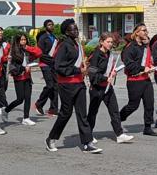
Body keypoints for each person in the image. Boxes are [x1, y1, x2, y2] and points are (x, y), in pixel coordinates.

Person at [45, 19, 101, 153]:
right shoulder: (64, 46)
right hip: (66, 85)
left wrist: (85, 68)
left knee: (82, 114)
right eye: (72, 29)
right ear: (66, 32)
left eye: (76, 28)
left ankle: (87, 143)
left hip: (79, 83)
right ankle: (51, 138)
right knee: (66, 113)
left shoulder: (78, 44)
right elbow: (59, 67)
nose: (76, 31)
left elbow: (79, 63)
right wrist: (77, 70)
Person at [86, 33, 134, 143]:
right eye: (108, 42)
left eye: (111, 42)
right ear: (101, 42)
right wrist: (104, 78)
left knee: (114, 111)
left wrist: (113, 73)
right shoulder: (96, 55)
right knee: (93, 112)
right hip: (97, 88)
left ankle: (119, 134)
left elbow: (110, 70)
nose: (110, 44)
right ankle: (88, 134)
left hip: (108, 87)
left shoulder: (109, 54)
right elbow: (92, 74)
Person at [119, 24, 157, 137]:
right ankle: (118, 119)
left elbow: (147, 61)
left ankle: (147, 127)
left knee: (149, 103)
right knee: (133, 105)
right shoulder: (130, 47)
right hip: (134, 80)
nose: (146, 32)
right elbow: (129, 64)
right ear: (136, 32)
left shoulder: (145, 46)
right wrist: (142, 68)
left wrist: (150, 66)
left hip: (146, 79)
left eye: (146, 30)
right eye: (144, 30)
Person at [5, 33, 42, 125]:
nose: (23, 41)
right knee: (20, 99)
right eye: (21, 40)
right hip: (19, 76)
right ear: (17, 41)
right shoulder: (14, 51)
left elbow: (39, 52)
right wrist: (23, 68)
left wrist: (27, 48)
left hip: (27, 77)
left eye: (25, 40)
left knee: (28, 98)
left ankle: (26, 118)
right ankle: (6, 110)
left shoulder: (27, 50)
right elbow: (14, 66)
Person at [34, 19, 60, 117]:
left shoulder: (54, 37)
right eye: (49, 25)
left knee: (56, 86)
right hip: (45, 64)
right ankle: (39, 104)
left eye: (52, 24)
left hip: (53, 65)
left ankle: (53, 109)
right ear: (45, 27)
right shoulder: (43, 38)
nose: (51, 26)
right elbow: (40, 53)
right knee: (49, 85)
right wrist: (50, 60)